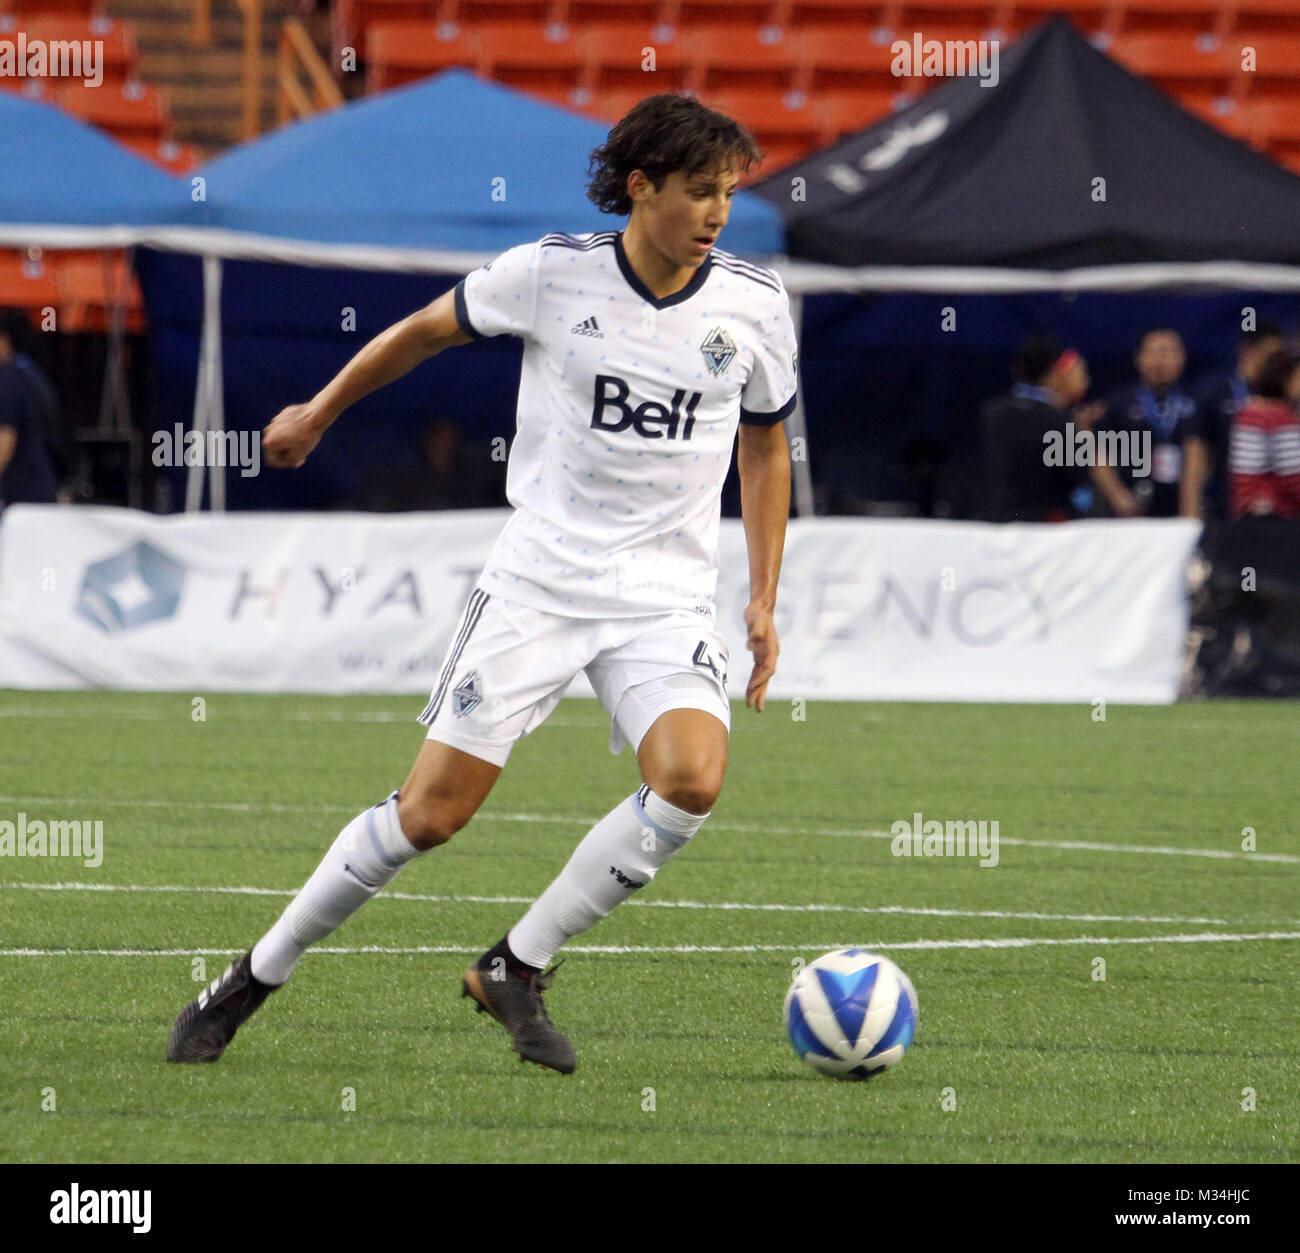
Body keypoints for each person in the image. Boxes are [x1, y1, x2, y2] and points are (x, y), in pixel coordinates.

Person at [165, 95, 798, 1074]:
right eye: (700, 191)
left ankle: (516, 963)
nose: (718, 211)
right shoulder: (548, 275)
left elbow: (765, 446)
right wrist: (320, 412)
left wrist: (761, 593)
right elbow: (420, 332)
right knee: (431, 815)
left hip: (664, 595)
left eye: (728, 192)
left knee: (691, 779)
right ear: (641, 188)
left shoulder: (753, 305)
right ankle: (252, 975)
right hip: (539, 585)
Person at [979, 334, 1095, 522]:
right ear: (1054, 372)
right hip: (1044, 524)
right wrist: (1083, 437)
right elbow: (1078, 481)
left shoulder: (991, 412)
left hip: (997, 518)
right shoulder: (1059, 420)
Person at [1091, 328, 1198, 518]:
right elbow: (1098, 452)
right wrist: (1116, 494)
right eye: (1156, 351)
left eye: (1170, 352)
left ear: (1183, 358)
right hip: (1132, 507)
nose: (1163, 360)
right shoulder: (1119, 402)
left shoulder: (1196, 402)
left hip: (1182, 506)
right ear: (1139, 358)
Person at [1186, 320, 1285, 522]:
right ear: (1248, 352)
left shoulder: (1284, 397)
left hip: (1279, 512)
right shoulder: (1215, 394)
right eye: (1271, 356)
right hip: (1225, 509)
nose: (1278, 364)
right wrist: (1190, 512)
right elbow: (1196, 453)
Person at [1229, 347, 1300, 521]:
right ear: (1284, 378)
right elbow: (1292, 475)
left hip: (1246, 510)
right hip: (1276, 516)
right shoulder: (1280, 417)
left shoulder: (1248, 412)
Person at [0, 309, 60, 511]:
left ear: (5, 340)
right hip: (46, 486)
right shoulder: (34, 376)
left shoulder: (9, 381)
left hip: (22, 495)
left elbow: (5, 442)